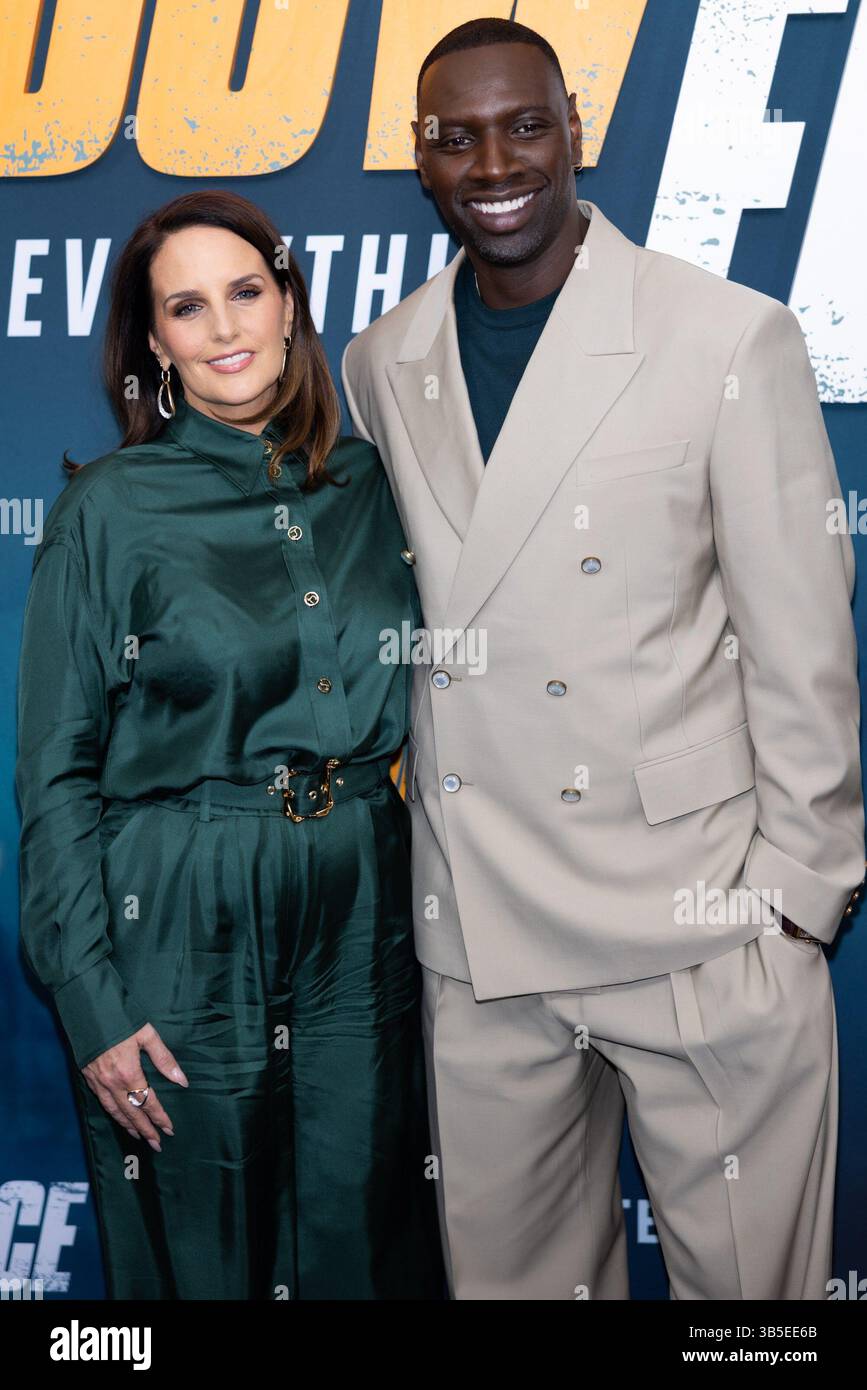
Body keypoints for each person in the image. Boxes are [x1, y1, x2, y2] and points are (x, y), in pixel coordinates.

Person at [341, 17, 866, 1299]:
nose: (494, 162)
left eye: (524, 123)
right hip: (484, 938)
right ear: (420, 164)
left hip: (696, 924)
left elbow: (802, 643)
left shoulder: (725, 338)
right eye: (454, 138)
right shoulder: (380, 360)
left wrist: (797, 895)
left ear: (575, 128)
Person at [16, 189, 443, 1300]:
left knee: (362, 1235)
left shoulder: (368, 485)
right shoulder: (109, 508)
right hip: (179, 910)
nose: (225, 327)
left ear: (290, 302)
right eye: (187, 308)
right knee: (200, 1254)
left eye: (246, 291)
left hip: (360, 901)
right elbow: (55, 773)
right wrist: (92, 1002)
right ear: (154, 343)